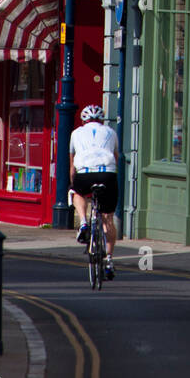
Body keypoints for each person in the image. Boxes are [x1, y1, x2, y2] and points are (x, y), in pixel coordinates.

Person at [70, 104, 119, 280]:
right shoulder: (111, 132)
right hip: (107, 175)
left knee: (77, 193)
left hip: (84, 174)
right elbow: (116, 157)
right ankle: (109, 261)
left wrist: (73, 181)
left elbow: (72, 164)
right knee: (108, 220)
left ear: (84, 120)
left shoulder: (75, 133)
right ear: (102, 120)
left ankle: (83, 222)